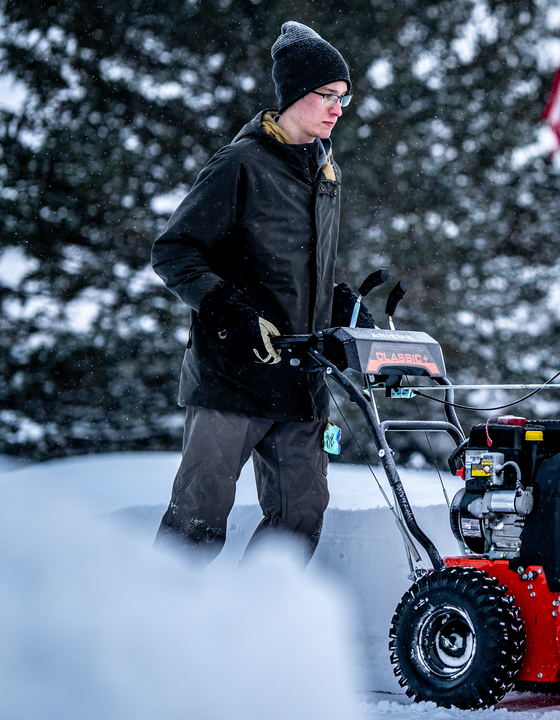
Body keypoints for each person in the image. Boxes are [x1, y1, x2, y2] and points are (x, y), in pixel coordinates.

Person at [151, 21, 373, 565]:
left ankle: (254, 633)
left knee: (300, 517)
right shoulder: (240, 164)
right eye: (327, 96)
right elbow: (174, 251)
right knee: (197, 519)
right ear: (295, 93)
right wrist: (228, 309)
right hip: (232, 377)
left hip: (301, 381)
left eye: (343, 97)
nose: (337, 109)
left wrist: (338, 301)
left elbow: (299, 263)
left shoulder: (326, 171)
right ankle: (155, 631)